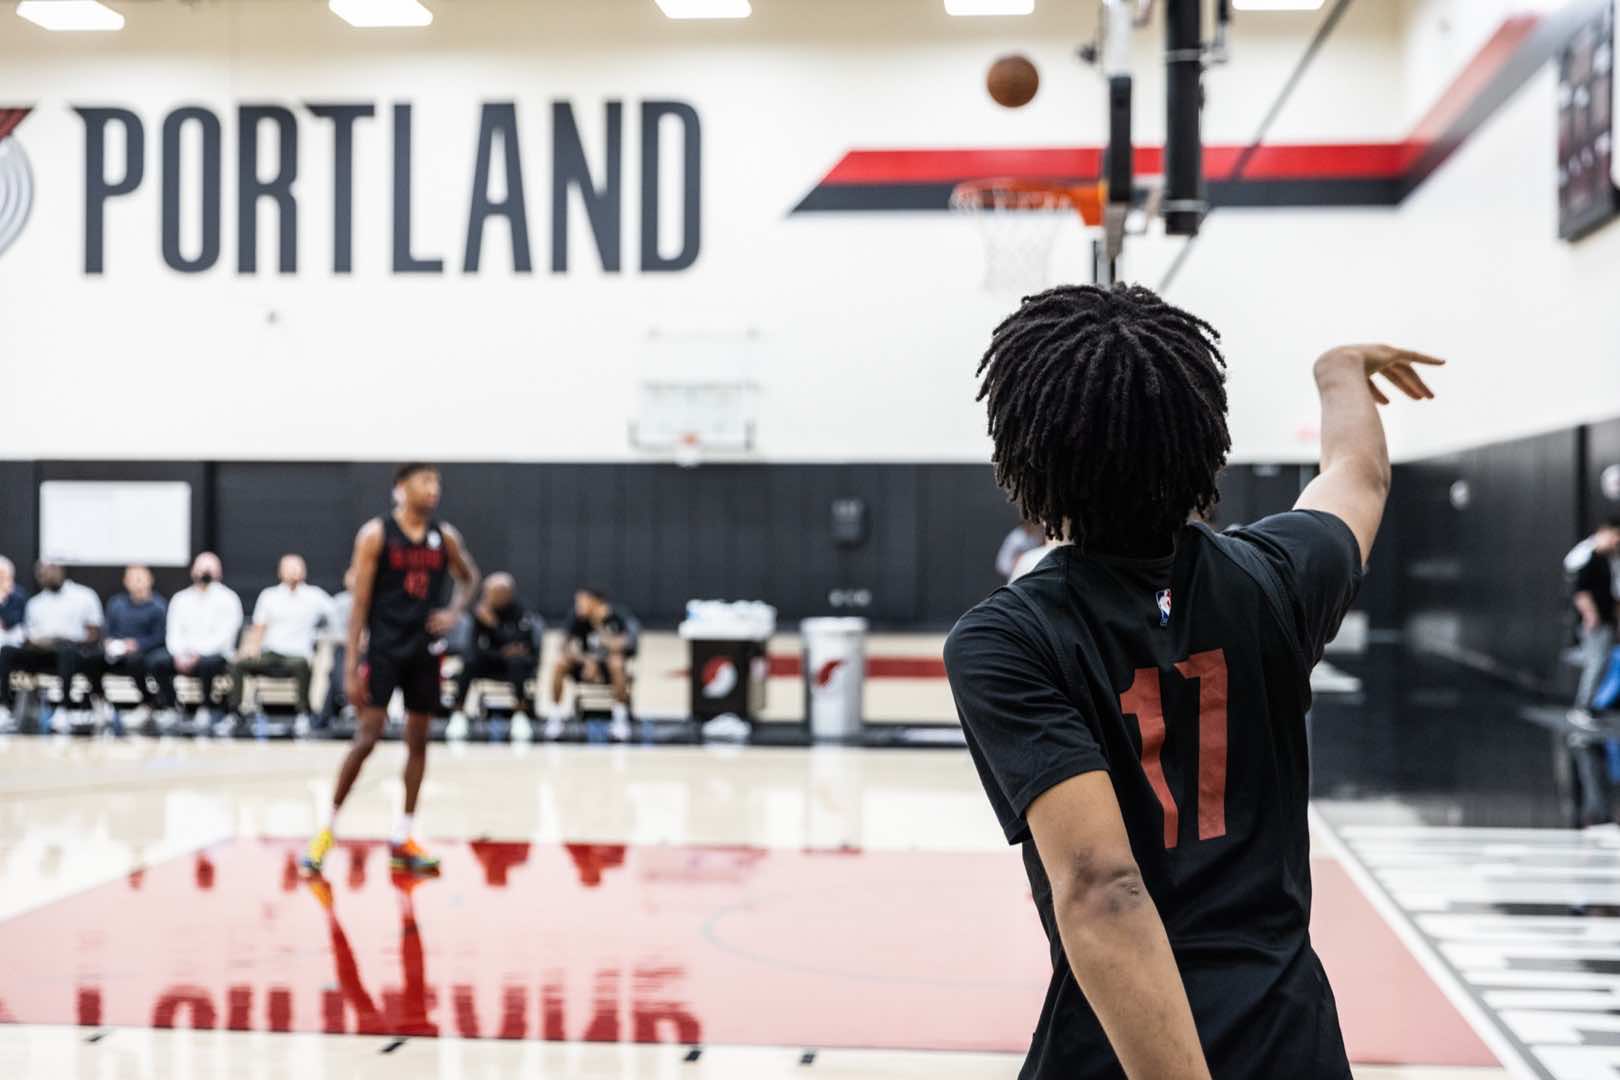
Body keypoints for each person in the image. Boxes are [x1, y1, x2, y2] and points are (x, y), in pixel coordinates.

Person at [942, 283, 1443, 1080]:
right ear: (1204, 436)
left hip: (1120, 1046)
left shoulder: (1008, 640)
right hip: (1288, 1036)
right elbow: (1358, 476)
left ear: (1025, 455)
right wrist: (1339, 373)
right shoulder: (1277, 577)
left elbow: (1105, 889)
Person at [303, 464, 480, 879]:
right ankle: (326, 829)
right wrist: (349, 667)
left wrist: (454, 611)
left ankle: (403, 836)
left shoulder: (445, 537)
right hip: (383, 648)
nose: (433, 489)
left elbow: (470, 578)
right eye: (424, 481)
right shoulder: (376, 535)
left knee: (418, 742)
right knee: (366, 738)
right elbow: (359, 603)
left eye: (437, 482)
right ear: (401, 489)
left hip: (424, 649)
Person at [230, 554, 333, 735]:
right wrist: (251, 647)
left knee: (302, 665)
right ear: (280, 572)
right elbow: (259, 627)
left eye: (297, 567)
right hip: (271, 653)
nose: (293, 571)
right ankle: (234, 713)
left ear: (304, 571)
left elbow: (335, 613)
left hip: (298, 655)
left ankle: (303, 713)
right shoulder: (269, 595)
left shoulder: (315, 596)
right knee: (237, 664)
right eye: (289, 567)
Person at [0, 562, 105, 731]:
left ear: (61, 570)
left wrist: (68, 639)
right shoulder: (35, 603)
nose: (47, 575)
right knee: (6, 651)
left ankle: (64, 709)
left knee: (66, 651)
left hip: (74, 652)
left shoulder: (84, 596)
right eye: (43, 572)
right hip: (41, 653)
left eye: (51, 570)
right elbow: (27, 634)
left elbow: (95, 632)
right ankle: (4, 708)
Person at [149, 552, 243, 733]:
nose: (205, 572)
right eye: (201, 567)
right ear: (193, 571)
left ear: (219, 572)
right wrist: (179, 654)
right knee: (156, 661)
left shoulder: (229, 599)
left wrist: (197, 654)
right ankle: (171, 706)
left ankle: (205, 708)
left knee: (208, 664)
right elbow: (173, 632)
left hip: (215, 654)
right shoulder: (181, 599)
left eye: (210, 568)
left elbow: (226, 637)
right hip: (183, 654)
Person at [449, 573, 540, 738]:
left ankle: (520, 713)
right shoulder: (481, 613)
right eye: (486, 593)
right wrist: (501, 650)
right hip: (492, 658)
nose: (487, 597)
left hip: (515, 664)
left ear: (506, 594)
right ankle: (458, 712)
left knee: (517, 661)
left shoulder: (522, 611)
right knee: (470, 662)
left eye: (492, 594)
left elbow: (523, 647)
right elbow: (473, 647)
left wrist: (494, 626)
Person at [545, 586, 635, 742]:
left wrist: (599, 625)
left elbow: (622, 645)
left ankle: (620, 720)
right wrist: (587, 660)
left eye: (582, 601)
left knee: (617, 663)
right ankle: (556, 717)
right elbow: (564, 646)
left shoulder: (617, 615)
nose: (578, 605)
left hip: (608, 666)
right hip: (584, 664)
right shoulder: (576, 617)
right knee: (560, 663)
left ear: (596, 602)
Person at [99, 566, 169, 729]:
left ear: (150, 580)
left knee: (137, 661)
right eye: (133, 578)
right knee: (92, 658)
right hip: (116, 652)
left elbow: (160, 637)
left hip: (144, 653)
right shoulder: (116, 604)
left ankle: (148, 703)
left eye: (141, 578)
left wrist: (137, 645)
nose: (137, 583)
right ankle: (100, 704)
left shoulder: (158, 606)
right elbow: (107, 631)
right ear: (125, 582)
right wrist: (109, 642)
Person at [321, 569, 357, 725]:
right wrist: (353, 641)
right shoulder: (338, 602)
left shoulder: (376, 599)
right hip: (346, 648)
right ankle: (347, 700)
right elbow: (334, 632)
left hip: (371, 650)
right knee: (341, 657)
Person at [0, 556, 25, 650]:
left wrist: (3, 597)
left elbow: (14, 620)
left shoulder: (18, 595)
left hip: (12, 638)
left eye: (3, 576)